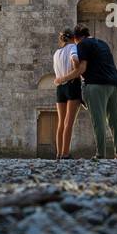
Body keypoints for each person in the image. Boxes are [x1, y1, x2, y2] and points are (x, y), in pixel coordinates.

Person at [59, 24, 117, 159]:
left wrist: (63, 78)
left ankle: (100, 154)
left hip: (97, 85)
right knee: (115, 121)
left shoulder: (82, 45)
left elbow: (82, 68)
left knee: (99, 121)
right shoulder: (103, 43)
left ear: (77, 38)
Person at [51, 28, 82, 159]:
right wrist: (76, 69)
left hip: (60, 88)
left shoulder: (56, 53)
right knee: (69, 122)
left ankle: (58, 153)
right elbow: (74, 58)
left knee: (61, 122)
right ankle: (65, 153)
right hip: (71, 85)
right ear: (72, 37)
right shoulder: (72, 47)